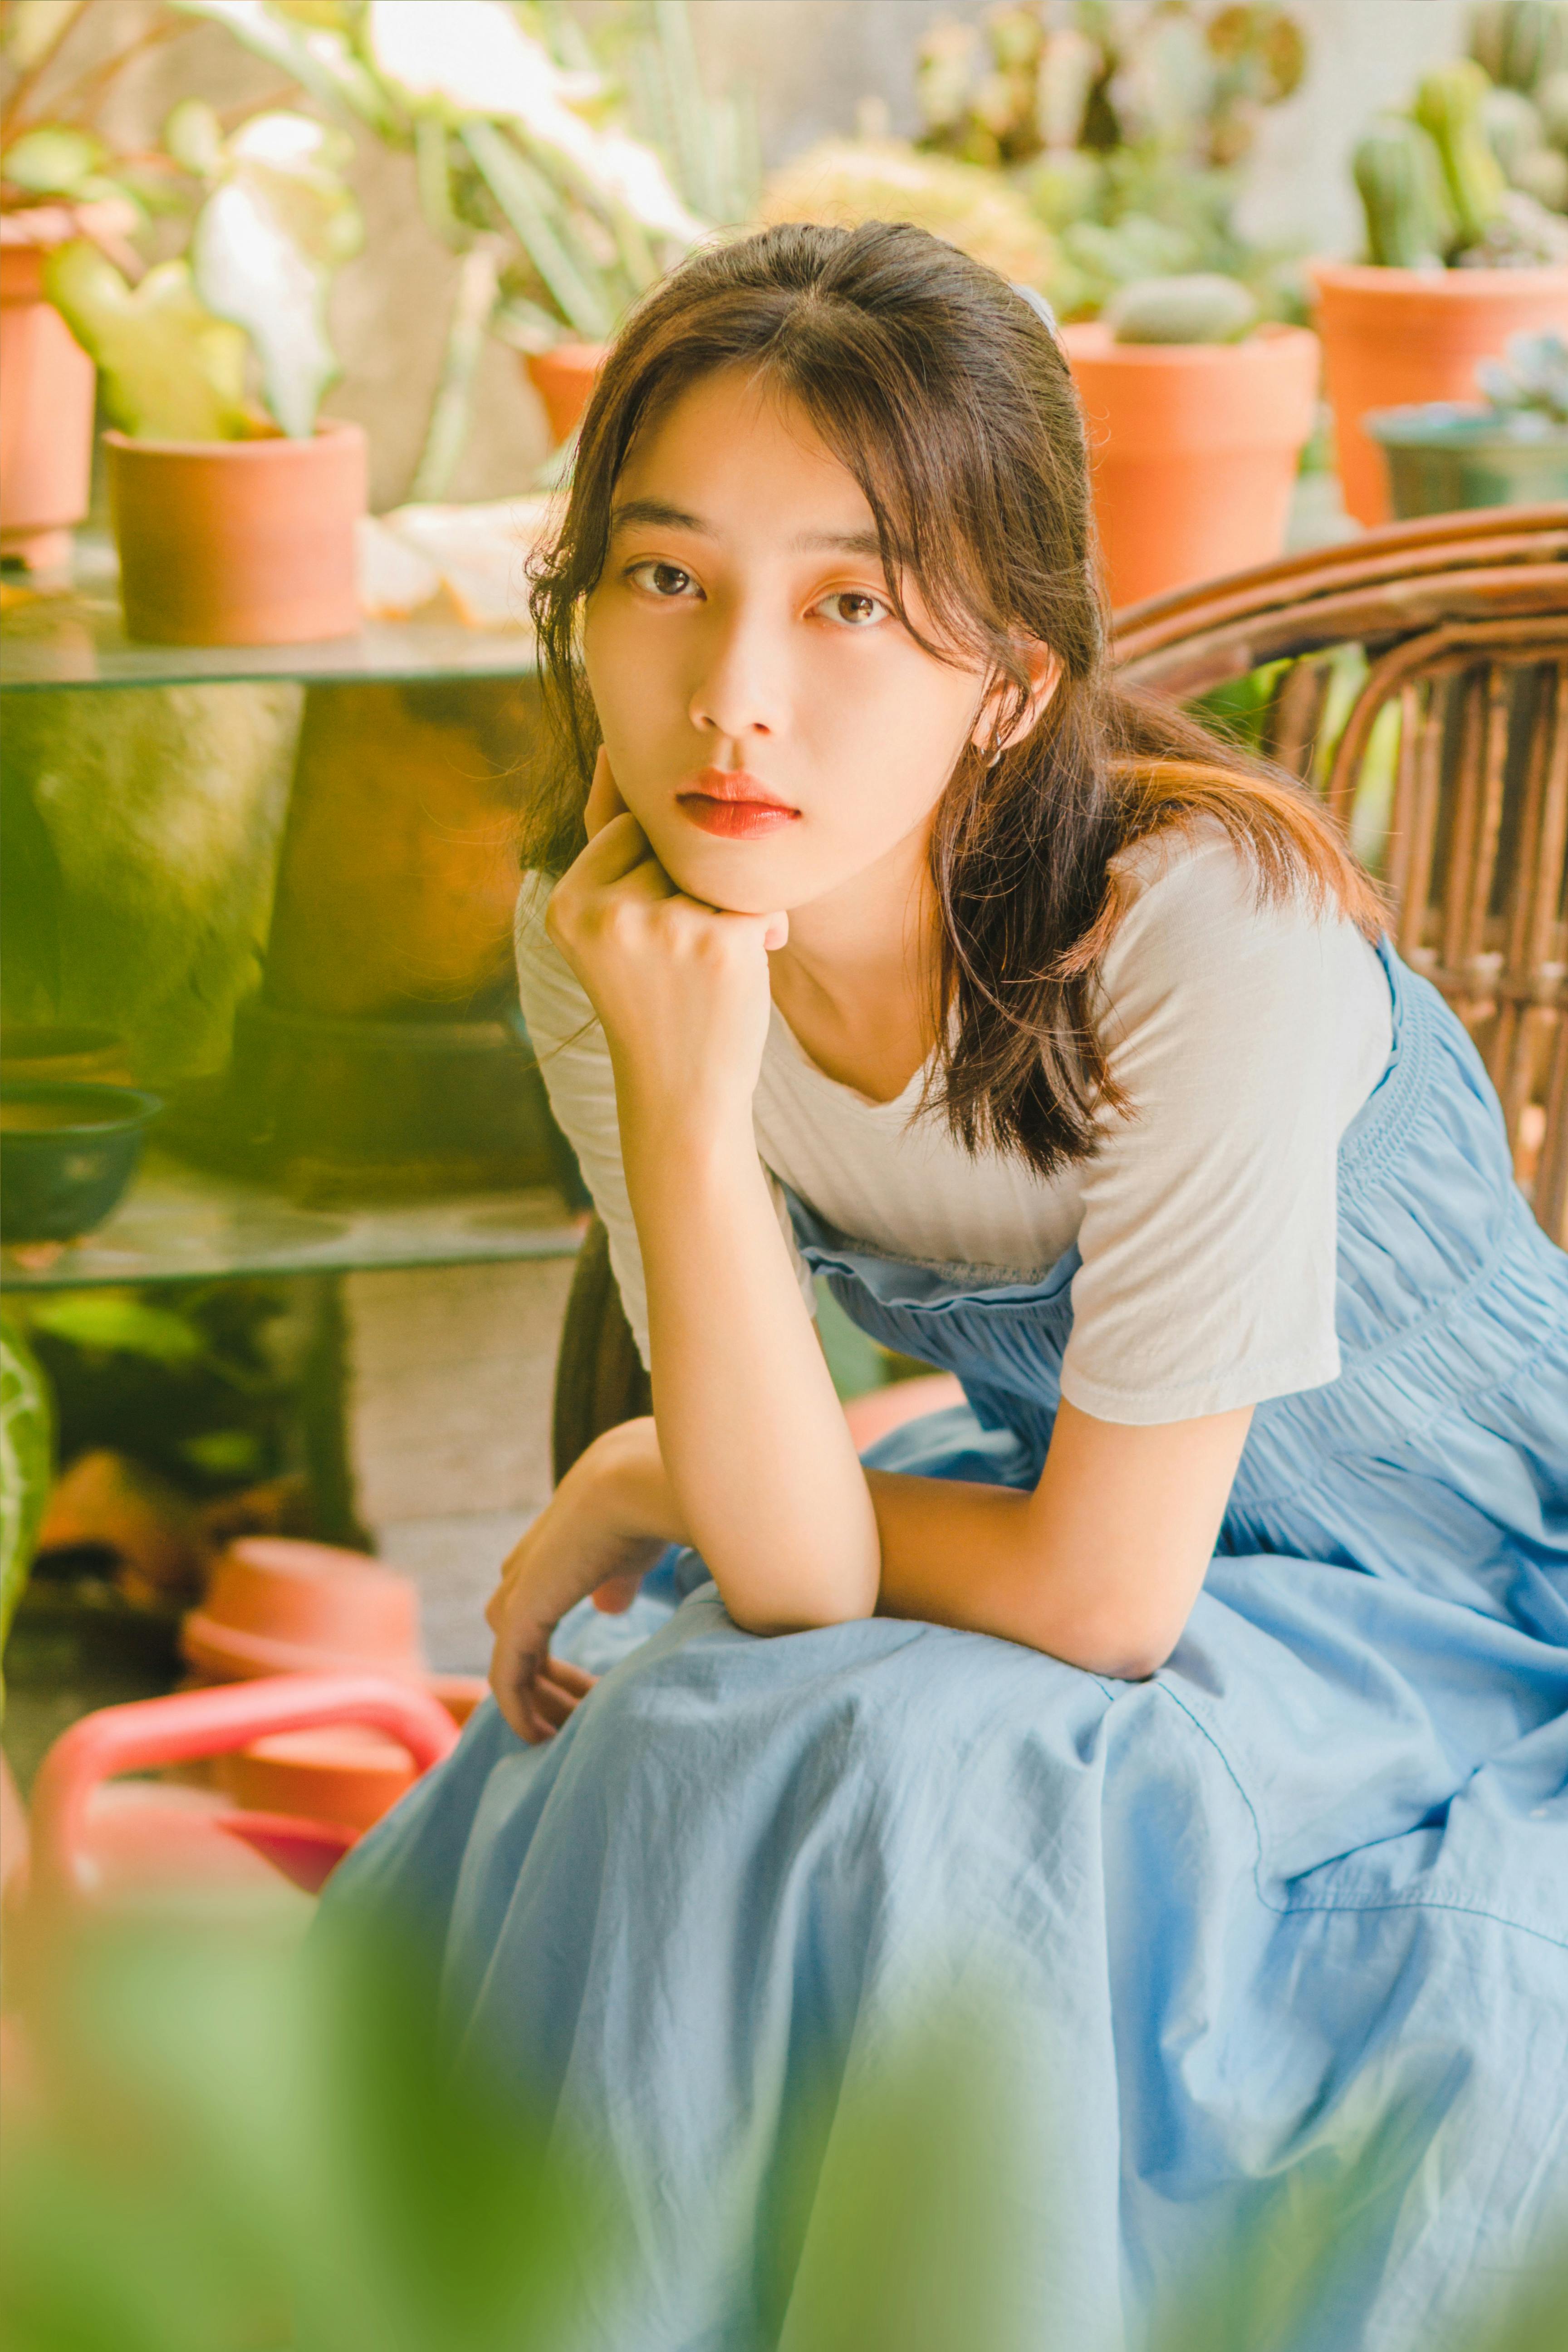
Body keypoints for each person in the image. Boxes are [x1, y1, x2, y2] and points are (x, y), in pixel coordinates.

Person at [327, 223, 1568, 2345]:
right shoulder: (618, 942)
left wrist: (653, 1468)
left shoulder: (1204, 942)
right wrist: (693, 1112)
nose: (735, 693)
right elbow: (807, 1573)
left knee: (935, 1797)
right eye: (665, 577)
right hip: (1072, 1517)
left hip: (1466, 1575)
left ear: (1006, 679)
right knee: (672, 1731)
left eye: (850, 607)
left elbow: (1101, 1605)